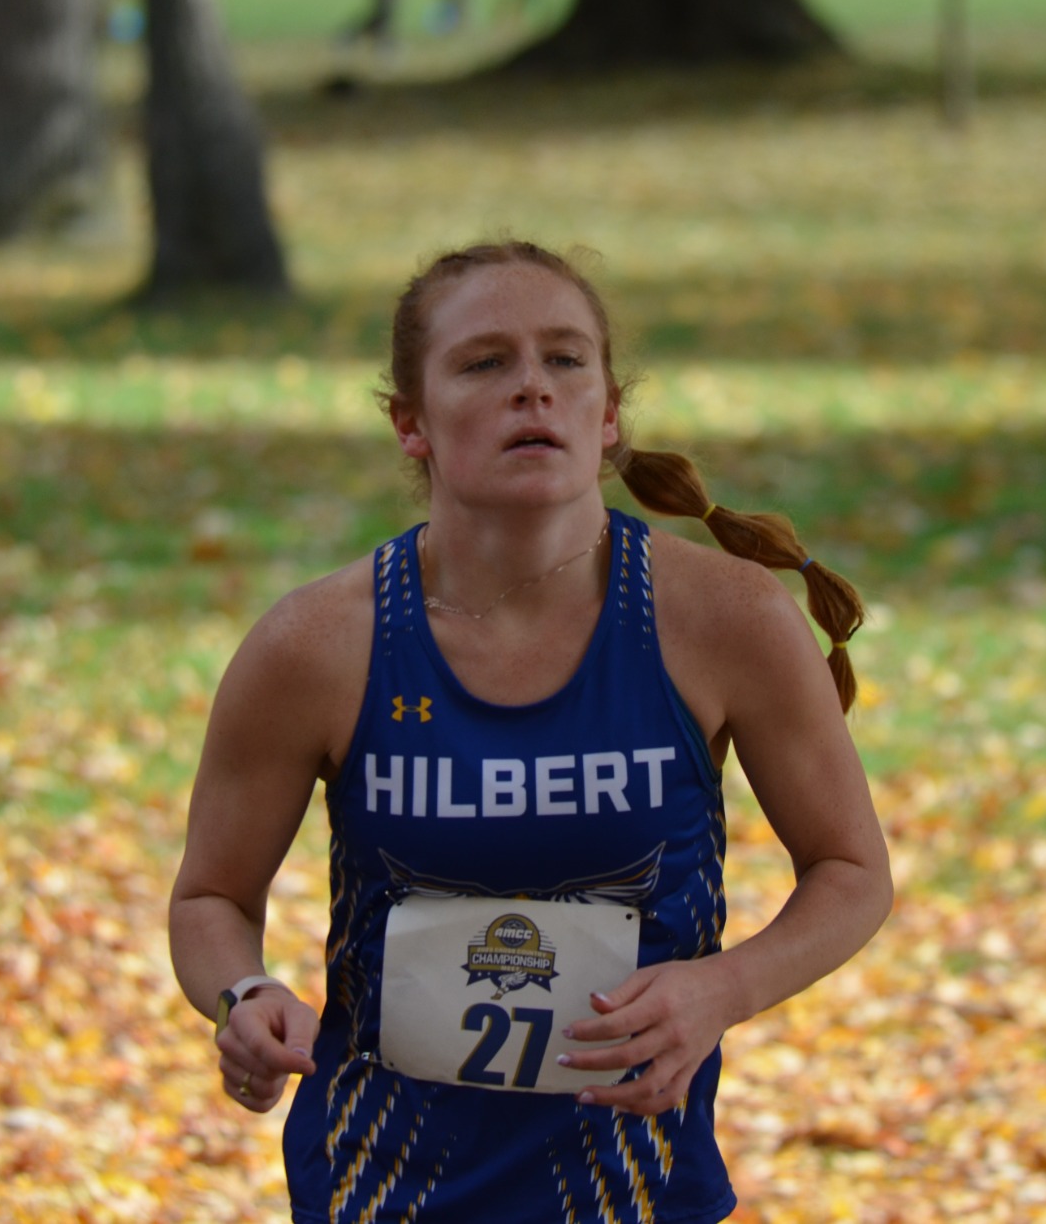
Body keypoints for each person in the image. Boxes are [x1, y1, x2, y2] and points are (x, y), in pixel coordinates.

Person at [168, 241, 892, 1222]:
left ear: (608, 415)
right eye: (483, 363)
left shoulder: (726, 618)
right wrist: (242, 994)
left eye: (563, 360)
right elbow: (210, 894)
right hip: (378, 1186)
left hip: (638, 1189)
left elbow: (852, 870)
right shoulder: (314, 645)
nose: (532, 391)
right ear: (409, 424)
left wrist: (721, 988)